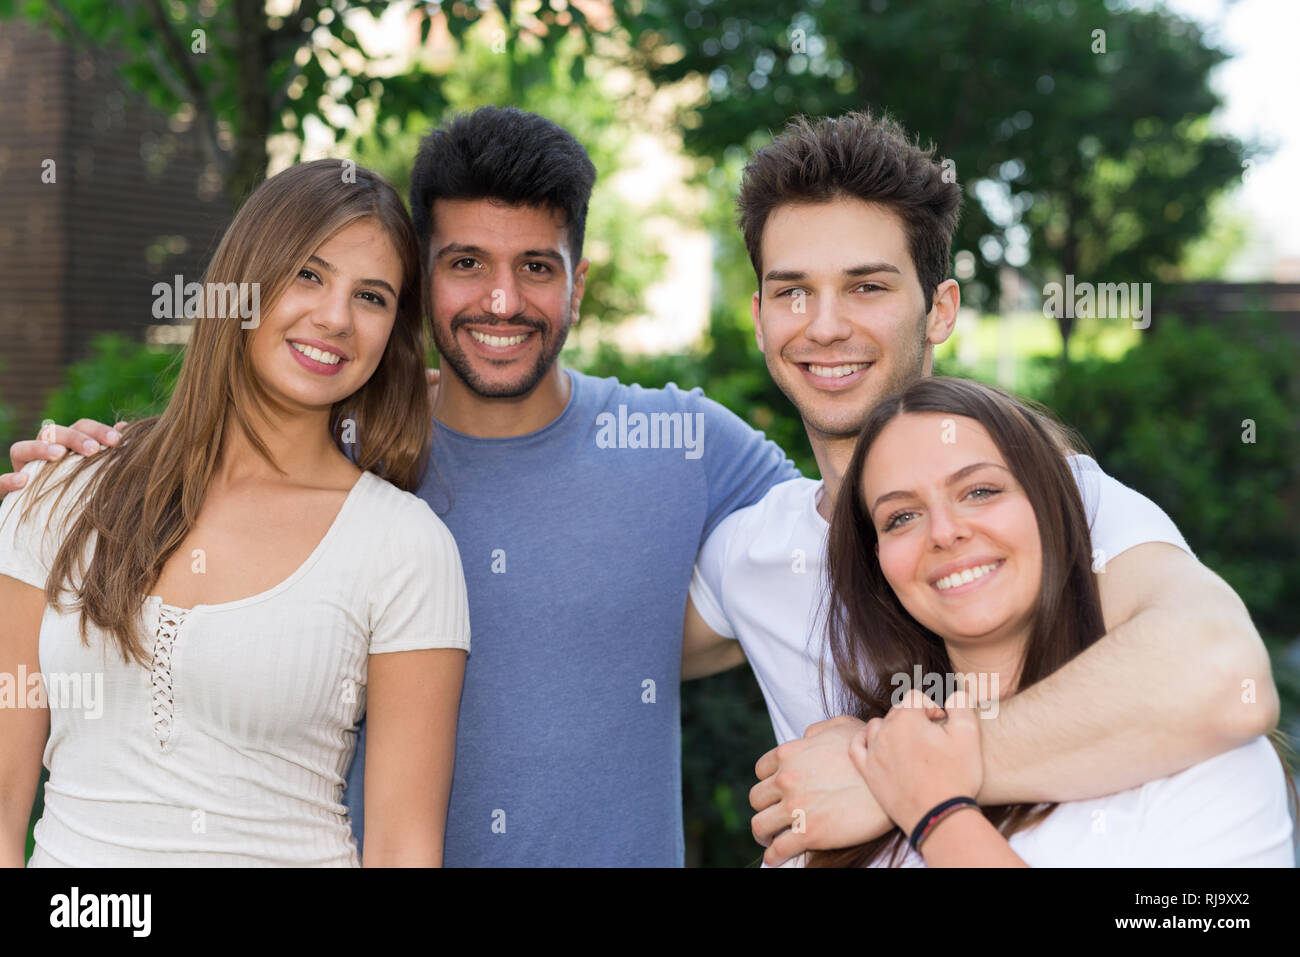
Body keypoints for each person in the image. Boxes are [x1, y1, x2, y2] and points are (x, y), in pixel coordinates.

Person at [3, 108, 801, 866]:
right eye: (465, 264)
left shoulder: (679, 444)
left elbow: (855, 549)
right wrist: (87, 466)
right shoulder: (343, 446)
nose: (501, 300)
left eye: (535, 267)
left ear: (579, 284)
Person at [680, 111, 1283, 865]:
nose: (824, 324)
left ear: (940, 310)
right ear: (761, 318)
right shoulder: (752, 553)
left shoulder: (1047, 506)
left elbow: (1224, 672)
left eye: (867, 285)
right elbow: (603, 652)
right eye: (792, 291)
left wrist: (907, 773)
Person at [0, 160, 470, 867]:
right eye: (308, 275)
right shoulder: (63, 491)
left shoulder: (406, 548)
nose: (336, 317)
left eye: (371, 297)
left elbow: (404, 849)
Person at [807, 376, 1294, 866]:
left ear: (1052, 507)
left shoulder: (1207, 758)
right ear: (879, 562)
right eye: (901, 517)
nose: (944, 532)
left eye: (979, 490)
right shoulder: (837, 782)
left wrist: (936, 811)